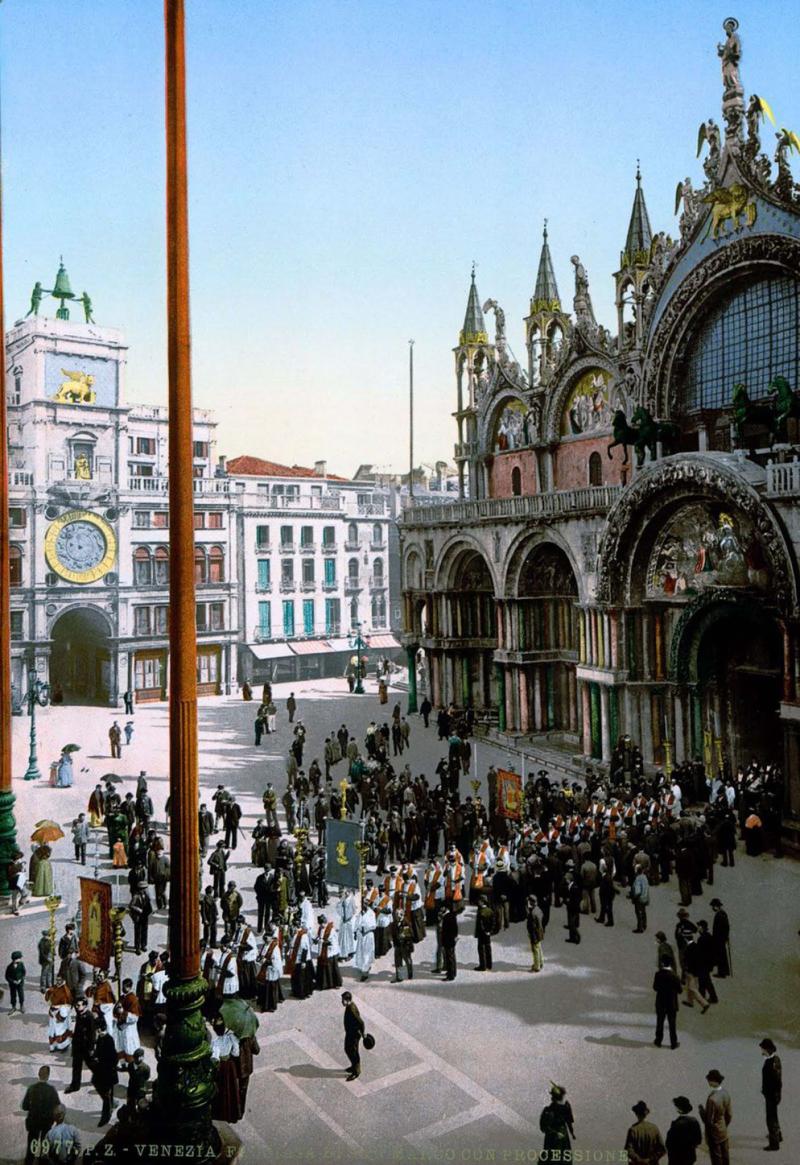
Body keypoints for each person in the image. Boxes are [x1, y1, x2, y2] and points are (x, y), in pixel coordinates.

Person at [21, 1066, 60, 1165]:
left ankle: (29, 1161)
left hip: (33, 1121)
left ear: (38, 1074)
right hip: (46, 1122)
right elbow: (57, 1106)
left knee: (32, 1144)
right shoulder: (51, 1090)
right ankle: (43, 1161)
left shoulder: (31, 1088)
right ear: (48, 1076)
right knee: (45, 1143)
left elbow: (25, 1106)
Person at [699, 1070, 732, 1165]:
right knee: (725, 1157)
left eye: (709, 1081)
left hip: (714, 1134)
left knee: (716, 1159)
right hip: (723, 1130)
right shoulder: (725, 1093)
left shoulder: (712, 1099)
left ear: (714, 1081)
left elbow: (708, 1121)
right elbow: (729, 1114)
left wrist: (701, 1111)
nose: (708, 1083)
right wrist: (724, 1125)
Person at [66, 996, 96, 1092]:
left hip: (86, 1047)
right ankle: (75, 1086)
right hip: (77, 1046)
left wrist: (91, 1048)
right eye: (76, 1005)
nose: (77, 1007)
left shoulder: (89, 1016)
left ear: (85, 1006)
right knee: (76, 1066)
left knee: (92, 1065)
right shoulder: (79, 1014)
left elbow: (92, 1034)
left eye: (79, 1005)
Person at [92, 1020, 119, 1127]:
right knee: (97, 1083)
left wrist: (108, 1067)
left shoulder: (108, 1040)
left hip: (108, 1072)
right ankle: (111, 1103)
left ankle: (105, 1117)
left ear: (99, 1029)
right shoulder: (101, 1038)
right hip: (101, 1070)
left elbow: (114, 1057)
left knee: (106, 1094)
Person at [652, 956, 681, 1049]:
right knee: (672, 1024)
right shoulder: (674, 976)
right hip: (672, 1003)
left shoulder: (658, 974)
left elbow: (655, 987)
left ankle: (658, 1041)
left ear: (662, 964)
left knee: (659, 1022)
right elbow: (680, 990)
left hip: (660, 1002)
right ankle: (673, 1043)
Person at [625, 1101, 666, 1165]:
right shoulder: (654, 1128)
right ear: (646, 1114)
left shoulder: (633, 1130)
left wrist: (639, 1160)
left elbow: (629, 1150)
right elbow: (662, 1150)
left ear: (636, 1114)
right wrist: (650, 1160)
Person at [760, 1038, 782, 1151]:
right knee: (774, 1115)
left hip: (771, 1095)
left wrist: (772, 1094)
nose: (761, 1051)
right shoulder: (775, 1059)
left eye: (762, 1049)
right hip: (773, 1094)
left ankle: (774, 1143)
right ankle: (778, 1136)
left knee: (770, 1118)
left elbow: (776, 1081)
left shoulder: (770, 1062)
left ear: (767, 1049)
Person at [539, 1083, 574, 1156]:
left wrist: (571, 1133)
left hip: (561, 1135)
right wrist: (556, 1133)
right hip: (554, 1137)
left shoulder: (565, 1107)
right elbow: (544, 1127)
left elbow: (569, 1121)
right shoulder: (549, 1110)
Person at [665, 1097, 702, 1165]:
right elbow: (698, 1140)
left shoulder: (676, 1124)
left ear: (679, 1109)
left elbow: (668, 1143)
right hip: (690, 1157)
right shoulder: (694, 1121)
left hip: (677, 1159)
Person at [341, 991, 365, 1081]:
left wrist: (363, 1034)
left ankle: (356, 1071)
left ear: (348, 1000)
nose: (342, 1002)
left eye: (343, 1000)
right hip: (350, 1033)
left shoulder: (351, 1009)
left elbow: (361, 1022)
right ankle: (353, 1066)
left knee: (352, 1051)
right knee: (349, 1049)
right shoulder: (350, 1006)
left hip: (354, 1034)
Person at [709, 899, 730, 978]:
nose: (712, 908)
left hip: (719, 939)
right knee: (722, 955)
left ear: (716, 906)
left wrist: (723, 937)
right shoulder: (722, 914)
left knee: (721, 956)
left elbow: (724, 927)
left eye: (713, 906)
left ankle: (722, 973)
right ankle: (724, 971)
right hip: (721, 938)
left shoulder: (720, 915)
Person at [474, 893, 494, 971]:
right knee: (488, 948)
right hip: (488, 933)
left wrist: (484, 931)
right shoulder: (490, 910)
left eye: (480, 900)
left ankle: (483, 965)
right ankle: (489, 964)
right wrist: (490, 931)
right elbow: (493, 922)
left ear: (483, 902)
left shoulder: (481, 911)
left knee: (481, 949)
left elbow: (480, 924)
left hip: (481, 933)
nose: (478, 902)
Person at [440, 902, 459, 980]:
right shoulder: (452, 916)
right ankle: (453, 972)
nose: (441, 909)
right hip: (451, 940)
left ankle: (450, 975)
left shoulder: (447, 917)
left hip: (448, 940)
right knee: (452, 956)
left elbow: (445, 931)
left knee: (449, 957)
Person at [526, 895, 545, 972]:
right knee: (539, 948)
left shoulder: (532, 913)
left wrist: (532, 937)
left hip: (534, 935)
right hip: (540, 932)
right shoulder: (538, 909)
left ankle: (536, 966)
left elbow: (532, 927)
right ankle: (541, 962)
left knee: (535, 950)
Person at [630, 863, 650, 933]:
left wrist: (633, 897)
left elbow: (637, 892)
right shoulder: (644, 877)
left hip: (639, 899)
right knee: (643, 912)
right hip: (645, 897)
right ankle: (644, 925)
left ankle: (640, 928)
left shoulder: (637, 879)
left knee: (638, 913)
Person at [6, 949, 26, 1014]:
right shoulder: (9, 967)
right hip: (13, 984)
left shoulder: (21, 964)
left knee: (21, 994)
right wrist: (13, 981)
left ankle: (21, 1006)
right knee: (13, 995)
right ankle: (13, 1007)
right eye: (19, 958)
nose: (20, 959)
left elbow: (24, 972)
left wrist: (21, 979)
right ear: (15, 959)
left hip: (20, 983)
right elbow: (7, 976)